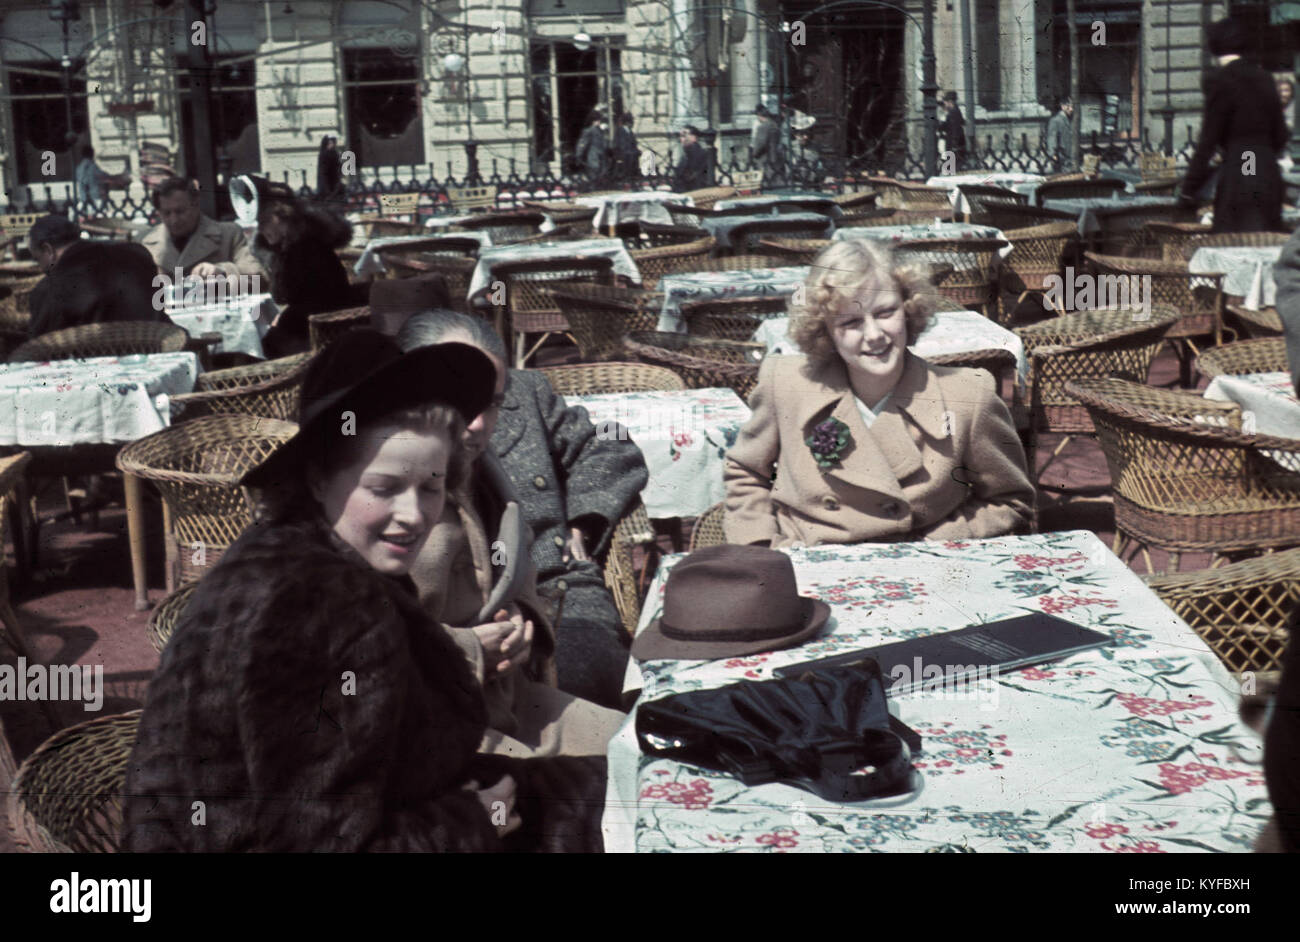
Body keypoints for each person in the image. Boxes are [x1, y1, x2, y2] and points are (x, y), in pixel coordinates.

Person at [122, 331, 607, 852]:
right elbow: (317, 844)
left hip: (395, 811)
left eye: (431, 487)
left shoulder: (302, 553)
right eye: (384, 488)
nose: (414, 515)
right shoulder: (314, 604)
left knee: (625, 785)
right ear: (316, 478)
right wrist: (472, 823)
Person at [397, 310, 648, 712]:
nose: (476, 423)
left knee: (599, 691)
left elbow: (610, 439)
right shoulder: (386, 467)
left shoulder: (529, 392)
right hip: (448, 643)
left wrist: (583, 519)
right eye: (458, 394)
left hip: (556, 590)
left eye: (492, 400)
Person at [723, 239, 1035, 548]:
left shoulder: (967, 395)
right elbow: (745, 472)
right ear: (825, 329)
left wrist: (932, 546)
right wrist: (764, 549)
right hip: (808, 573)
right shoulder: (786, 383)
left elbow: (1009, 502)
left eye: (885, 313)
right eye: (851, 322)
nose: (874, 335)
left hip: (920, 575)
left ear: (909, 309)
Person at [1180, 18, 1288, 233]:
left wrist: (1188, 189)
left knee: (1232, 246)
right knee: (1266, 244)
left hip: (1240, 172)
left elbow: (1207, 141)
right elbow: (1281, 135)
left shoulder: (1221, 80)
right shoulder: (1265, 78)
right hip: (1267, 172)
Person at [237, 174, 356, 359]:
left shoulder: (306, 248)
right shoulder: (291, 246)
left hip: (324, 335)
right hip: (313, 327)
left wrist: (283, 321)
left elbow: (316, 301)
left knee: (256, 352)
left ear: (283, 216)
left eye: (264, 221)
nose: (260, 230)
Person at [24, 214, 171, 338]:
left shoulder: (49, 288)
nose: (40, 267)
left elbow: (41, 344)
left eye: (37, 259)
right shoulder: (136, 252)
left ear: (47, 250)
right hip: (154, 345)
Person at [140, 176, 267, 282]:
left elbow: (259, 278)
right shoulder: (144, 242)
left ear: (195, 205)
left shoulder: (229, 235)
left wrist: (223, 272)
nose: (174, 220)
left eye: (180, 211)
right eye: (167, 213)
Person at [751, 105, 785, 188]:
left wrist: (754, 154)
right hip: (776, 157)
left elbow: (760, 144)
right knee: (777, 181)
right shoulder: (775, 125)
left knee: (766, 184)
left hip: (765, 159)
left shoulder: (762, 127)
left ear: (759, 116)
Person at [671, 125, 711, 192]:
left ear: (694, 137)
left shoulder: (698, 154)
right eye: (681, 136)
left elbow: (692, 176)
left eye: (684, 135)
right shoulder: (686, 155)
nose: (682, 139)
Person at [574, 110, 610, 184]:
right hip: (593, 155)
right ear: (593, 121)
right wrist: (578, 154)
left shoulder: (601, 131)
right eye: (597, 120)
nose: (599, 122)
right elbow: (582, 143)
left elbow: (604, 143)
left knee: (602, 172)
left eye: (599, 120)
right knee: (594, 172)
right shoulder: (588, 131)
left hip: (601, 155)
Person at [789, 119, 825, 188]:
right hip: (796, 182)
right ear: (796, 135)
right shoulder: (791, 146)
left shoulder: (813, 146)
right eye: (802, 134)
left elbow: (815, 157)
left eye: (807, 134)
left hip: (812, 181)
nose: (806, 137)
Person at [1045, 97, 1075, 173]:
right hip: (1060, 157)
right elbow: (1052, 138)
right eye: (1069, 106)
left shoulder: (1070, 119)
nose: (1071, 109)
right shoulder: (1055, 120)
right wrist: (1053, 155)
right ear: (1062, 106)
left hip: (1069, 157)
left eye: (1072, 107)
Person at [939, 91, 968, 170]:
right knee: (952, 168)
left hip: (953, 145)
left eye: (945, 102)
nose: (944, 104)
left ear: (950, 102)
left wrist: (954, 145)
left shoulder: (953, 113)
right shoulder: (955, 112)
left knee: (950, 169)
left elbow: (955, 130)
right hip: (955, 145)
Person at [315, 134, 345, 207]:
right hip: (328, 187)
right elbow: (323, 173)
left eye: (335, 142)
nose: (334, 144)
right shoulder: (325, 154)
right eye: (332, 142)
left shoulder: (334, 153)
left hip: (335, 186)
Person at [612, 112, 640, 183]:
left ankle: (633, 179)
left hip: (631, 156)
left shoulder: (630, 132)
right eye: (631, 121)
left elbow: (634, 144)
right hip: (624, 157)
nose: (632, 123)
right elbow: (621, 145)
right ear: (627, 122)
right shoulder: (620, 131)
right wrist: (631, 152)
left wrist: (637, 151)